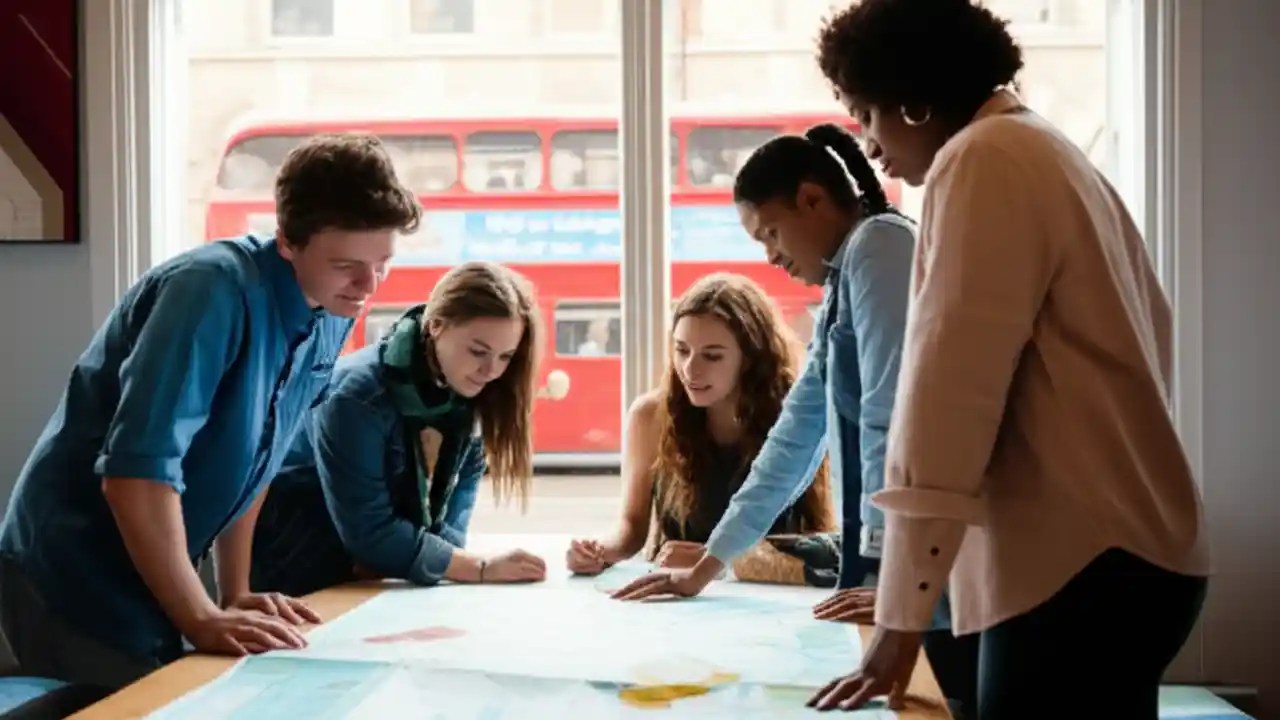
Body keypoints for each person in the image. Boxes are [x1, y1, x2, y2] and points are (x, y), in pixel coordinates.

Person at [802, 1, 1210, 717]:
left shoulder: (981, 162)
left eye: (865, 112)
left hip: (1075, 569)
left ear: (915, 103)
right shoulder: (1050, 152)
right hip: (1132, 555)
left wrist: (900, 625)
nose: (865, 141)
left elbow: (946, 406)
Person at [0, 133, 422, 689]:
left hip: (156, 573)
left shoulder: (331, 306)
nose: (368, 286)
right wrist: (198, 615)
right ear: (288, 243)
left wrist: (235, 591)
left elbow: (261, 455)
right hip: (74, 574)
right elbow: (136, 475)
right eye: (347, 264)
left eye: (383, 263)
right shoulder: (208, 291)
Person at [609, 124, 925, 615]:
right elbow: (796, 434)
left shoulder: (879, 248)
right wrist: (710, 563)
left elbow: (890, 419)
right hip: (902, 563)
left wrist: (893, 577)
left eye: (771, 233)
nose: (772, 255)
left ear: (812, 200)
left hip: (927, 561)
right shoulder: (846, 275)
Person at [250, 261, 547, 597]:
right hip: (297, 562)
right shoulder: (357, 398)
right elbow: (369, 533)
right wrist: (475, 568)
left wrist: (424, 559)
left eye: (506, 356)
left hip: (375, 563)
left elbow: (452, 517)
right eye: (478, 351)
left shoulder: (470, 393)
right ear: (436, 326)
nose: (490, 371)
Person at [565, 273, 837, 579]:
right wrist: (599, 550)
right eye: (682, 350)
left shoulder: (798, 418)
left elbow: (824, 537)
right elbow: (631, 527)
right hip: (677, 596)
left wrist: (716, 558)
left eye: (712, 356)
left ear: (749, 358)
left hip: (775, 595)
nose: (690, 369)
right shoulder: (650, 416)